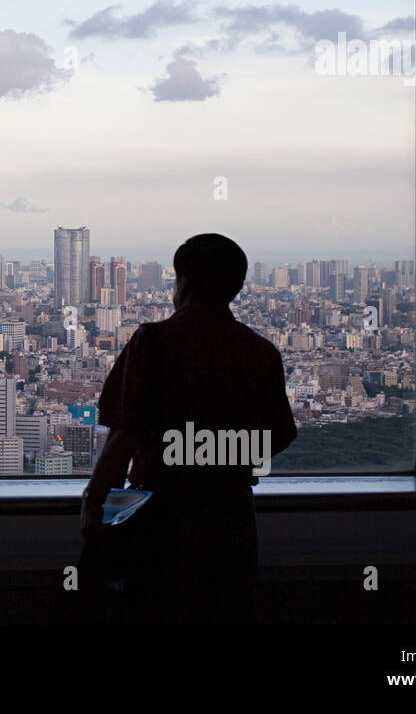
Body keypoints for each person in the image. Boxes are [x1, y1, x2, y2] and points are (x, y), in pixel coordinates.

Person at [80, 233, 297, 623]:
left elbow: (123, 433)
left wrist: (94, 503)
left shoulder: (155, 342)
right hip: (232, 520)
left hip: (161, 517)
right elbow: (280, 435)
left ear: (183, 282)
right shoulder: (261, 351)